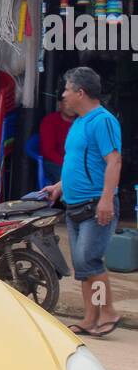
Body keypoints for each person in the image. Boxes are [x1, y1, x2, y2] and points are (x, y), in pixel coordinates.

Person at [42, 66, 122, 338]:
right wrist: (59, 186)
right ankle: (90, 319)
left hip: (94, 205)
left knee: (90, 261)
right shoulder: (79, 123)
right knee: (83, 266)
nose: (63, 94)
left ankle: (107, 312)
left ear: (80, 92)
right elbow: (79, 162)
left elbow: (114, 160)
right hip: (75, 205)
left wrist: (106, 200)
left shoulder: (103, 121)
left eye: (66, 89)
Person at [38, 90, 73, 184]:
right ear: (60, 105)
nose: (70, 106)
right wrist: (67, 163)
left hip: (74, 162)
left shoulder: (81, 122)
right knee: (70, 177)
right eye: (66, 102)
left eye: (73, 102)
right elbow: (48, 152)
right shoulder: (50, 121)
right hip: (54, 162)